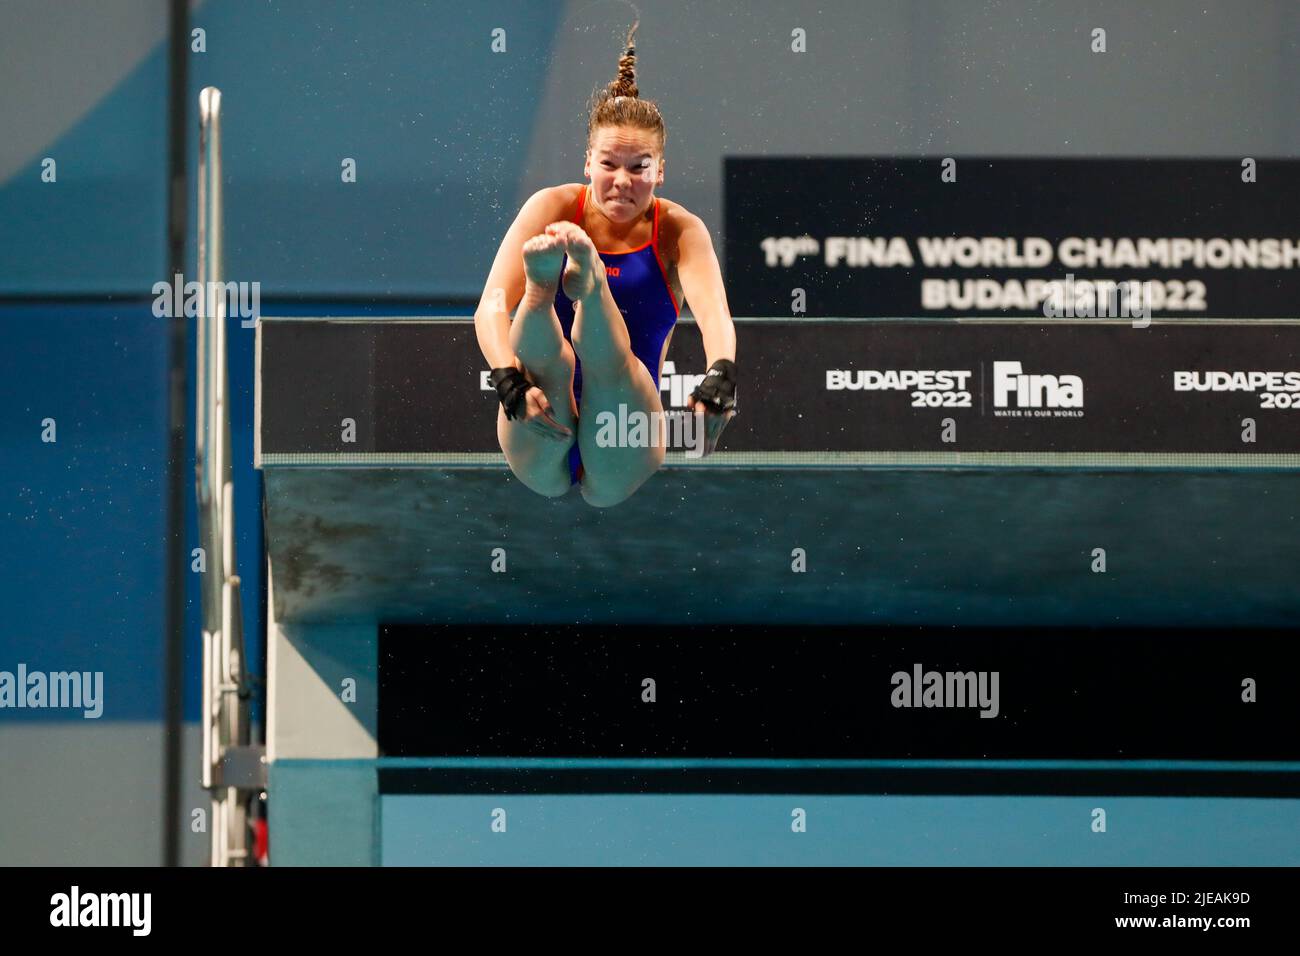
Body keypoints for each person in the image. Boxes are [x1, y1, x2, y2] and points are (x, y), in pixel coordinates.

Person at [474, 21, 737, 507]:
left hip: (624, 422)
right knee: (545, 359)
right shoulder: (551, 207)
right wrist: (507, 380)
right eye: (609, 164)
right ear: (587, 161)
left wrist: (722, 372)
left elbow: (714, 317)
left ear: (661, 170)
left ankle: (585, 285)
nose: (622, 180)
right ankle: (542, 297)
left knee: (612, 368)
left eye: (640, 167)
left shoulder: (680, 230)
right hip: (539, 409)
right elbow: (489, 307)